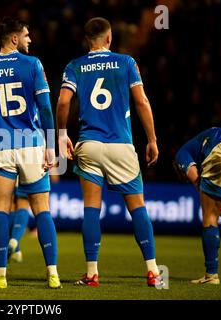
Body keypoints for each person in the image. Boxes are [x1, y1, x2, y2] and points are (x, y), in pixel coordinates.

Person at [56, 17, 162, 287]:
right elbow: (141, 100)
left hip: (89, 143)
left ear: (87, 39)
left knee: (91, 208)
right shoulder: (126, 63)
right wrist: (151, 139)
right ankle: (153, 271)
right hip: (121, 144)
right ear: (109, 38)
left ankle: (92, 273)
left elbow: (63, 102)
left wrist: (61, 135)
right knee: (137, 207)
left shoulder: (75, 66)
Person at [0, 17, 61, 289]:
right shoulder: (32, 64)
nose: (29, 40)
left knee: (0, 209)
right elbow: (45, 108)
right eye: (26, 35)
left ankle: (0, 276)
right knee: (42, 209)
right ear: (14, 39)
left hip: (0, 146)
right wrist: (51, 146)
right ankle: (53, 274)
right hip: (31, 144)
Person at [173, 127, 221, 285]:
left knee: (209, 215)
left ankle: (211, 275)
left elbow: (197, 182)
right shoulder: (202, 139)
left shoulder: (181, 155)